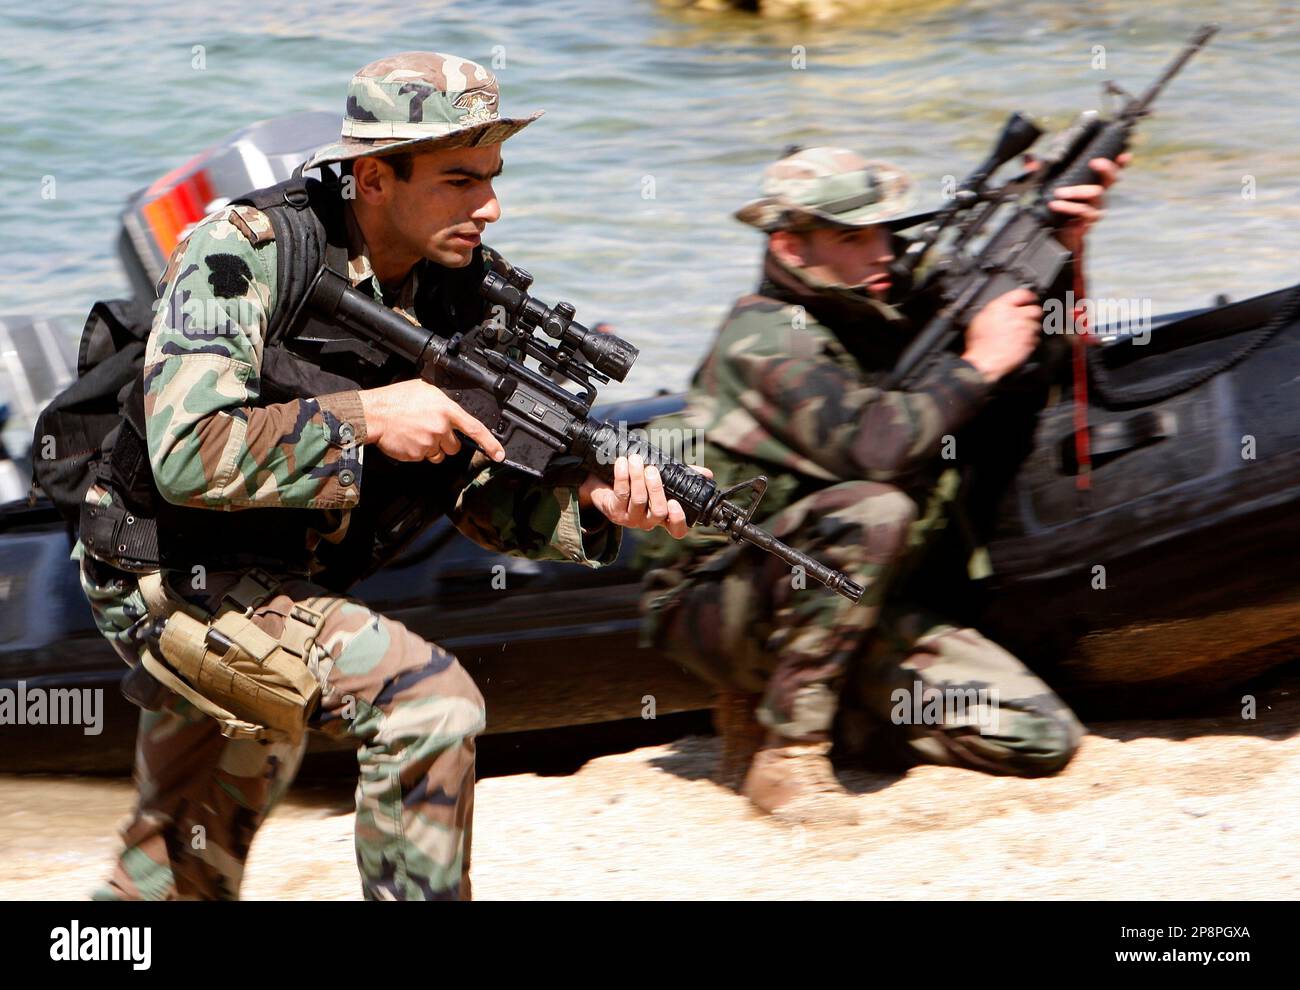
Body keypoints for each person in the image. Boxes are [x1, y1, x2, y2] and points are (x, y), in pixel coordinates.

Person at [76, 52, 694, 900]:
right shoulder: (245, 252)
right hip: (159, 567)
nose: (490, 205)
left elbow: (472, 490)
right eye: (458, 179)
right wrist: (372, 417)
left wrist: (585, 502)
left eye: (492, 178)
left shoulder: (461, 290)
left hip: (280, 575)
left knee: (181, 866)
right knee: (427, 705)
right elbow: (187, 451)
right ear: (373, 177)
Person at [639, 145, 1124, 824]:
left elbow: (1045, 357)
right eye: (852, 236)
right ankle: (789, 754)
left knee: (1036, 734)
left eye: (885, 233)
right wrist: (978, 361)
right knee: (874, 508)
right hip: (723, 600)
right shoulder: (762, 340)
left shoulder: (884, 309)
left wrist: (1065, 250)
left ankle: (831, 710)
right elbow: (879, 448)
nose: (882, 253)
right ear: (791, 246)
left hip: (852, 595)